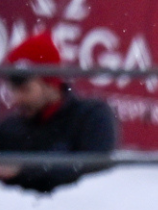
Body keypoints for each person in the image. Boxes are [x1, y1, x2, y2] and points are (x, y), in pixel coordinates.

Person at [0, 32, 115, 193]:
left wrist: (23, 171)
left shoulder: (92, 117)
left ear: (51, 84)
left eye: (25, 89)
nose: (16, 98)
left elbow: (93, 174)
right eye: (13, 90)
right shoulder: (10, 129)